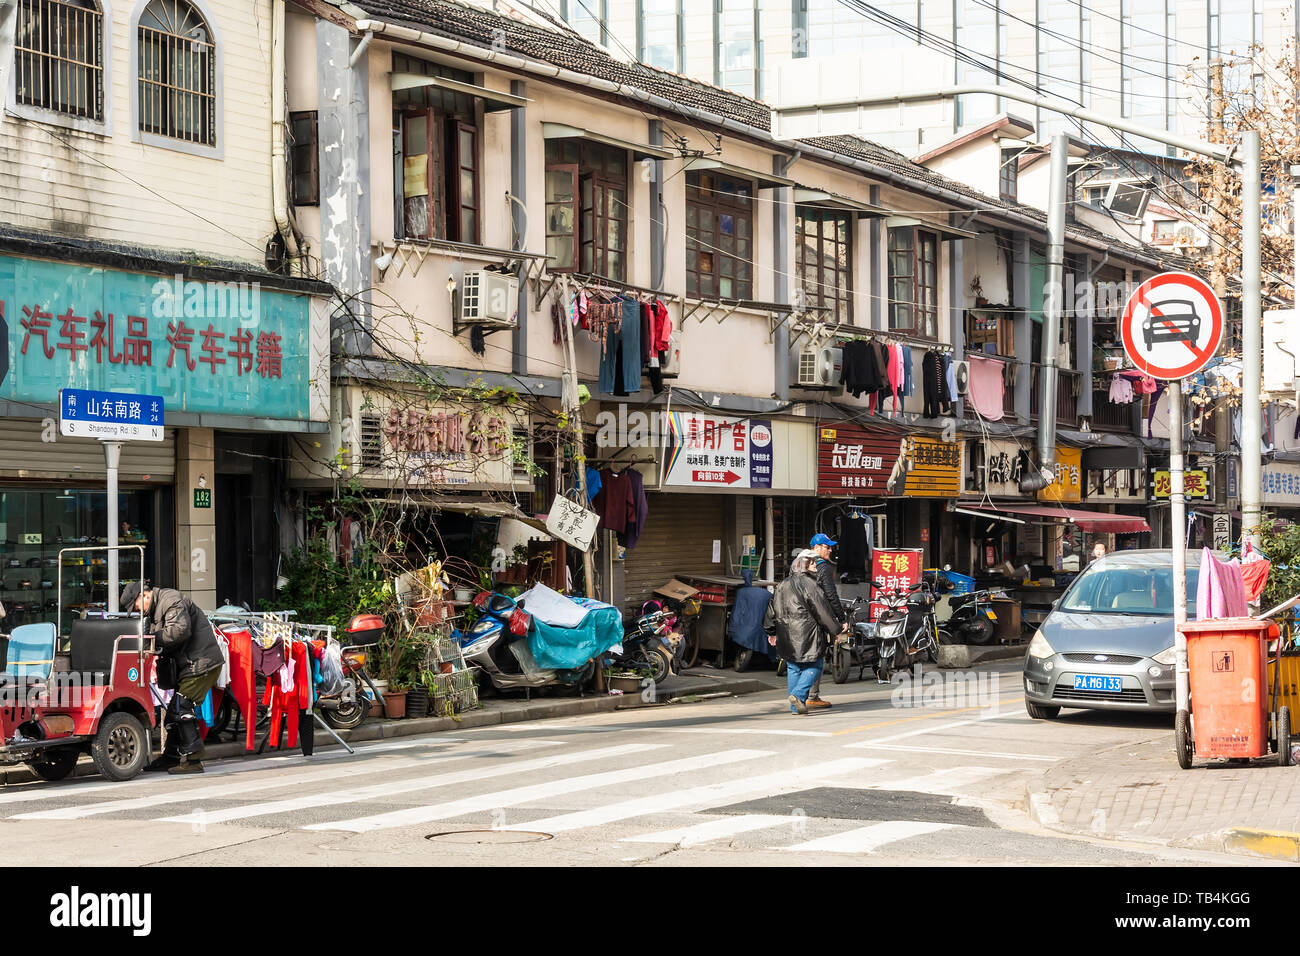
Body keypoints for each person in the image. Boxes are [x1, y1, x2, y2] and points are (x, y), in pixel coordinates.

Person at [121, 580, 223, 774]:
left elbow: (179, 630)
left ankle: (194, 760)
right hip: (191, 664)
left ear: (144, 595)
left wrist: (150, 638)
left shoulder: (171, 599)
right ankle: (171, 758)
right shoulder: (155, 609)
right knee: (174, 714)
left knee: (181, 708)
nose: (137, 611)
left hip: (201, 663)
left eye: (135, 606)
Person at [764, 550, 843, 715]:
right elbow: (822, 611)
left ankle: (796, 708)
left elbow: (771, 610)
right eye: (812, 563)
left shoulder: (782, 584)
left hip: (786, 634)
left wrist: (771, 631)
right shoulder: (810, 584)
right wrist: (836, 629)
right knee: (816, 664)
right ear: (804, 566)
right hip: (808, 634)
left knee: (793, 667)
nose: (815, 566)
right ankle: (798, 696)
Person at [807, 532, 847, 709]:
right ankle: (812, 696)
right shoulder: (822, 567)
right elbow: (830, 595)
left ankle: (799, 696)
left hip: (799, 617)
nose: (830, 550)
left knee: (800, 659)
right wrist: (841, 618)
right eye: (827, 546)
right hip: (817, 618)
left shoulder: (798, 565)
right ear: (816, 548)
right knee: (817, 656)